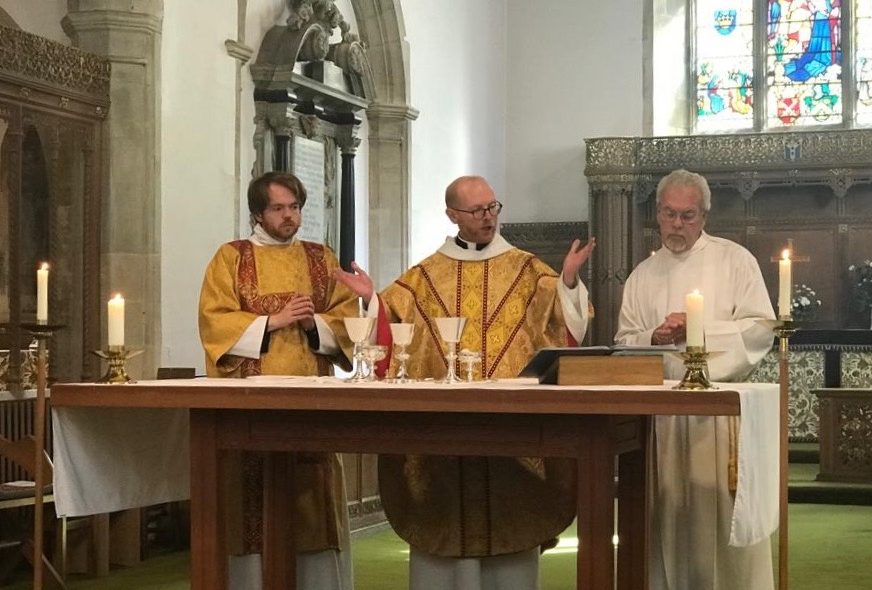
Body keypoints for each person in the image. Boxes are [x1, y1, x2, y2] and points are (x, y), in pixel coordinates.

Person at [335, 175, 595, 590]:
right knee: (443, 525)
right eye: (477, 211)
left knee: (511, 533)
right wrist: (372, 301)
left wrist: (566, 283)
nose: (488, 217)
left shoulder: (530, 271)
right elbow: (388, 336)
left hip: (513, 432)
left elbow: (568, 330)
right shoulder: (423, 276)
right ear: (452, 215)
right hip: (444, 436)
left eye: (493, 207)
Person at [198, 170, 375, 590]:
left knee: (311, 496)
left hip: (311, 401)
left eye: (294, 207)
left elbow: (348, 317)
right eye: (278, 208)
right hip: (249, 406)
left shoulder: (320, 257)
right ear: (257, 212)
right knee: (250, 498)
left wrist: (315, 325)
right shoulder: (231, 258)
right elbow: (213, 322)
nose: (289, 216)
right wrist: (272, 322)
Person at [614, 168, 776, 589]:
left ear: (704, 215)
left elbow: (760, 328)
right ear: (658, 213)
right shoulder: (642, 275)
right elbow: (624, 342)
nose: (677, 225)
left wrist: (699, 331)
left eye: (688, 216)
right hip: (660, 420)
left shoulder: (734, 260)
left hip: (716, 416)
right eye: (669, 214)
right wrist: (655, 336)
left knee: (716, 515)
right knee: (667, 514)